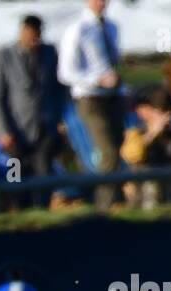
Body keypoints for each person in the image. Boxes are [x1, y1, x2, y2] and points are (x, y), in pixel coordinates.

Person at [0, 14, 63, 207]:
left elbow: (58, 89)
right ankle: (18, 207)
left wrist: (56, 120)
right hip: (15, 129)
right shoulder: (4, 56)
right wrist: (4, 131)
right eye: (30, 33)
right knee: (15, 172)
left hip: (43, 127)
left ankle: (42, 207)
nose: (34, 39)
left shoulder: (49, 53)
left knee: (44, 170)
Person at [59, 0, 123, 209]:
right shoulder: (78, 29)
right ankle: (104, 206)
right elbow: (66, 73)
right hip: (90, 98)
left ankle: (114, 201)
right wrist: (96, 80)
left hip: (112, 97)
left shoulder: (111, 27)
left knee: (118, 146)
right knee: (107, 152)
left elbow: (112, 62)